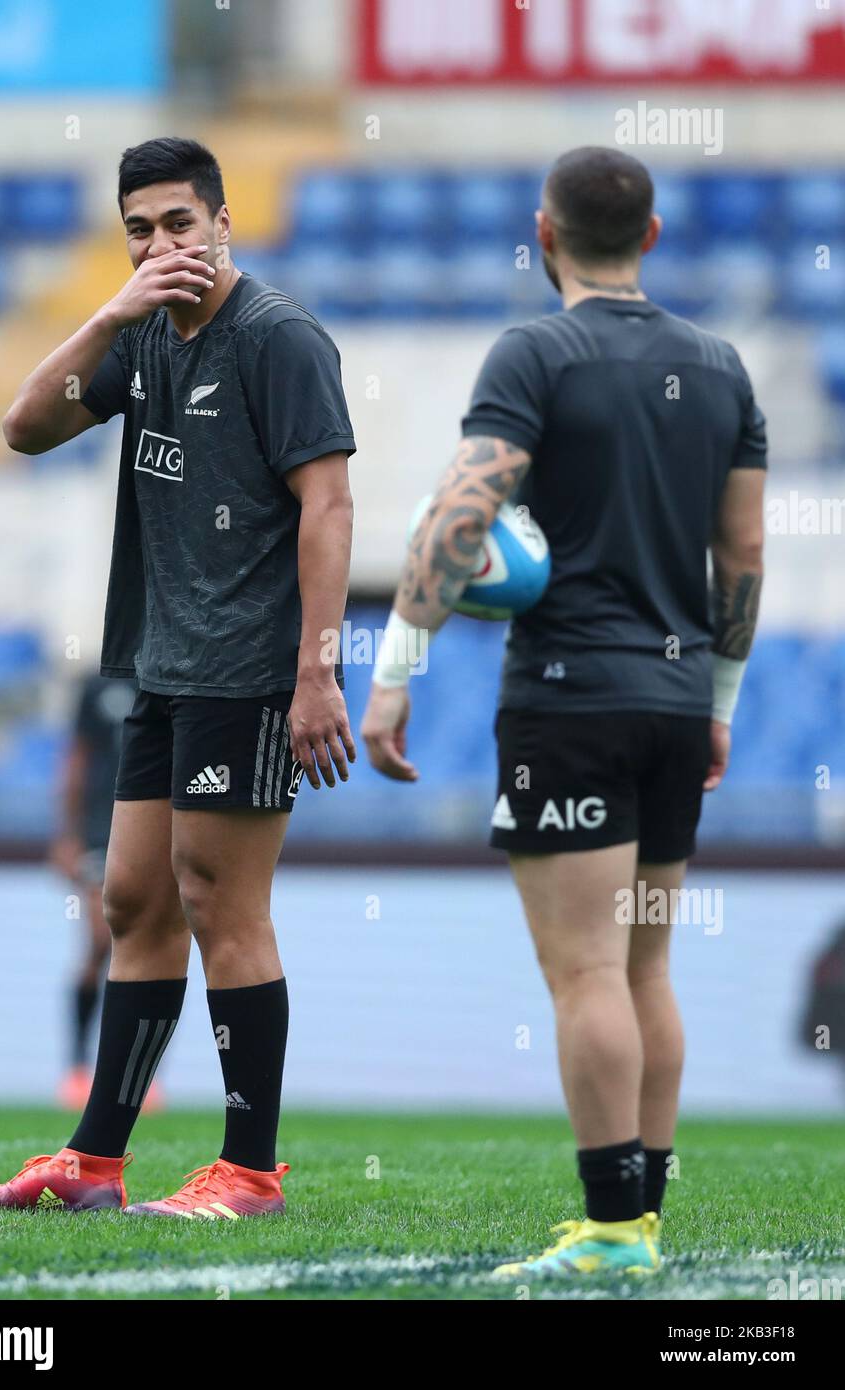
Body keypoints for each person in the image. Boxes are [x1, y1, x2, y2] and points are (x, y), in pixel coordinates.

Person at [362, 146, 766, 1279]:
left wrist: (395, 666)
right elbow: (740, 556)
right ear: (650, 236)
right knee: (645, 972)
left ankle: (610, 1228)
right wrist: (719, 701)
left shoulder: (534, 350)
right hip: (678, 702)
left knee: (585, 975)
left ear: (543, 234)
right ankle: (638, 1221)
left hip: (568, 700)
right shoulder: (721, 365)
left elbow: (460, 509)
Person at [0, 137, 356, 1218]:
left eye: (180, 223)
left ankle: (251, 1170)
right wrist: (110, 311)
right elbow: (23, 426)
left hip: (247, 671)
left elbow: (329, 506)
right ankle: (93, 1161)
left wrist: (317, 671)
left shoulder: (278, 339)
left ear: (223, 223)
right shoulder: (138, 339)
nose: (162, 243)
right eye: (141, 228)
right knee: (133, 902)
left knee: (223, 902)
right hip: (155, 667)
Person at [50, 672, 167, 1115]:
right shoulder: (97, 685)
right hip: (102, 829)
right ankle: (79, 1069)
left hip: (158, 824)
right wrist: (67, 836)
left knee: (153, 949)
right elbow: (76, 760)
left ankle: (138, 1077)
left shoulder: (172, 672)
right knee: (103, 943)